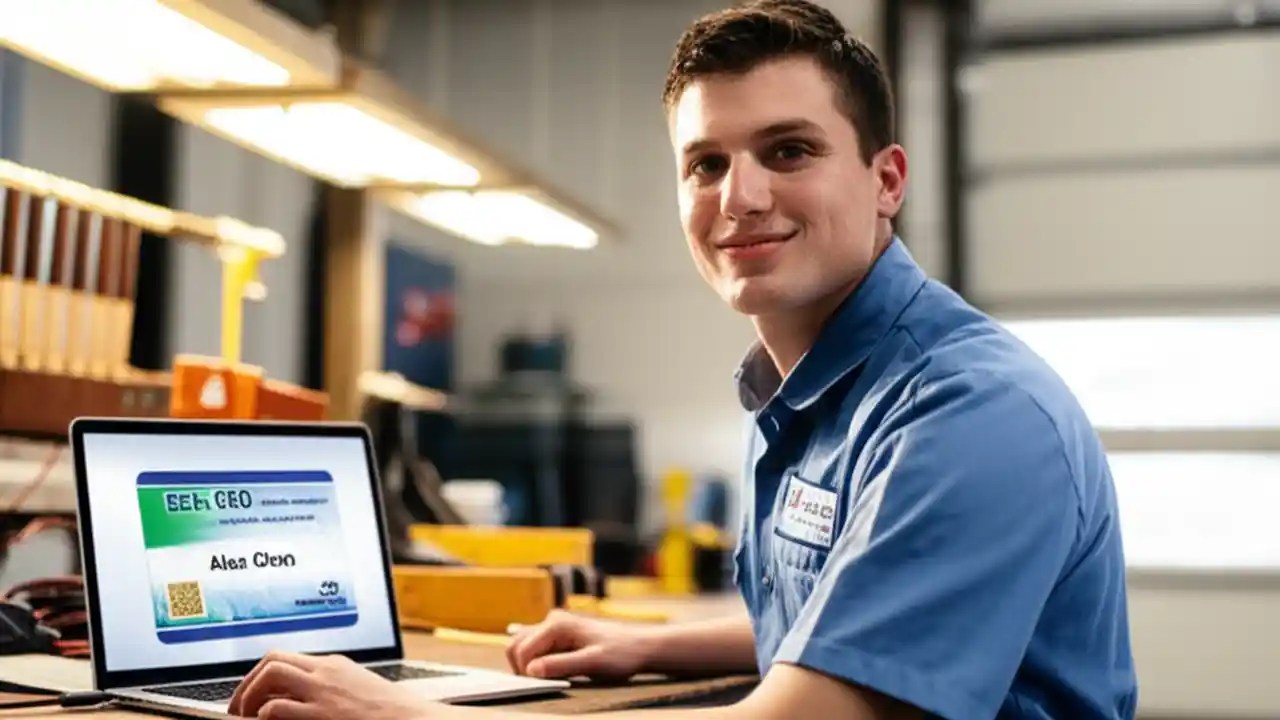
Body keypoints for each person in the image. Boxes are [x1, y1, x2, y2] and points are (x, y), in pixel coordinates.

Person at [227, 1, 1138, 718]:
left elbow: (809, 714)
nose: (739, 197)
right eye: (705, 164)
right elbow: (852, 623)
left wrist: (413, 717)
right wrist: (649, 645)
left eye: (789, 150)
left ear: (886, 180)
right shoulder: (801, 387)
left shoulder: (969, 413)